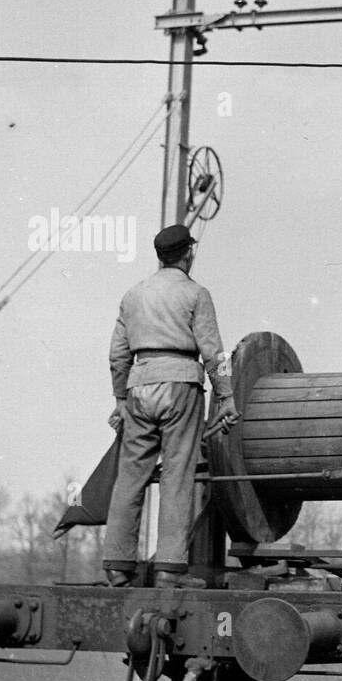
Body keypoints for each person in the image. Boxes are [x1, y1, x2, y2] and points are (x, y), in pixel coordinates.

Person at [102, 223, 237, 588]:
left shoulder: (133, 296)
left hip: (139, 386)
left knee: (130, 477)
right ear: (188, 253)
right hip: (181, 386)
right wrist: (225, 396)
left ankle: (117, 566)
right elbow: (214, 351)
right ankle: (169, 570)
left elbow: (117, 355)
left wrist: (120, 399)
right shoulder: (197, 294)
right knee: (177, 477)